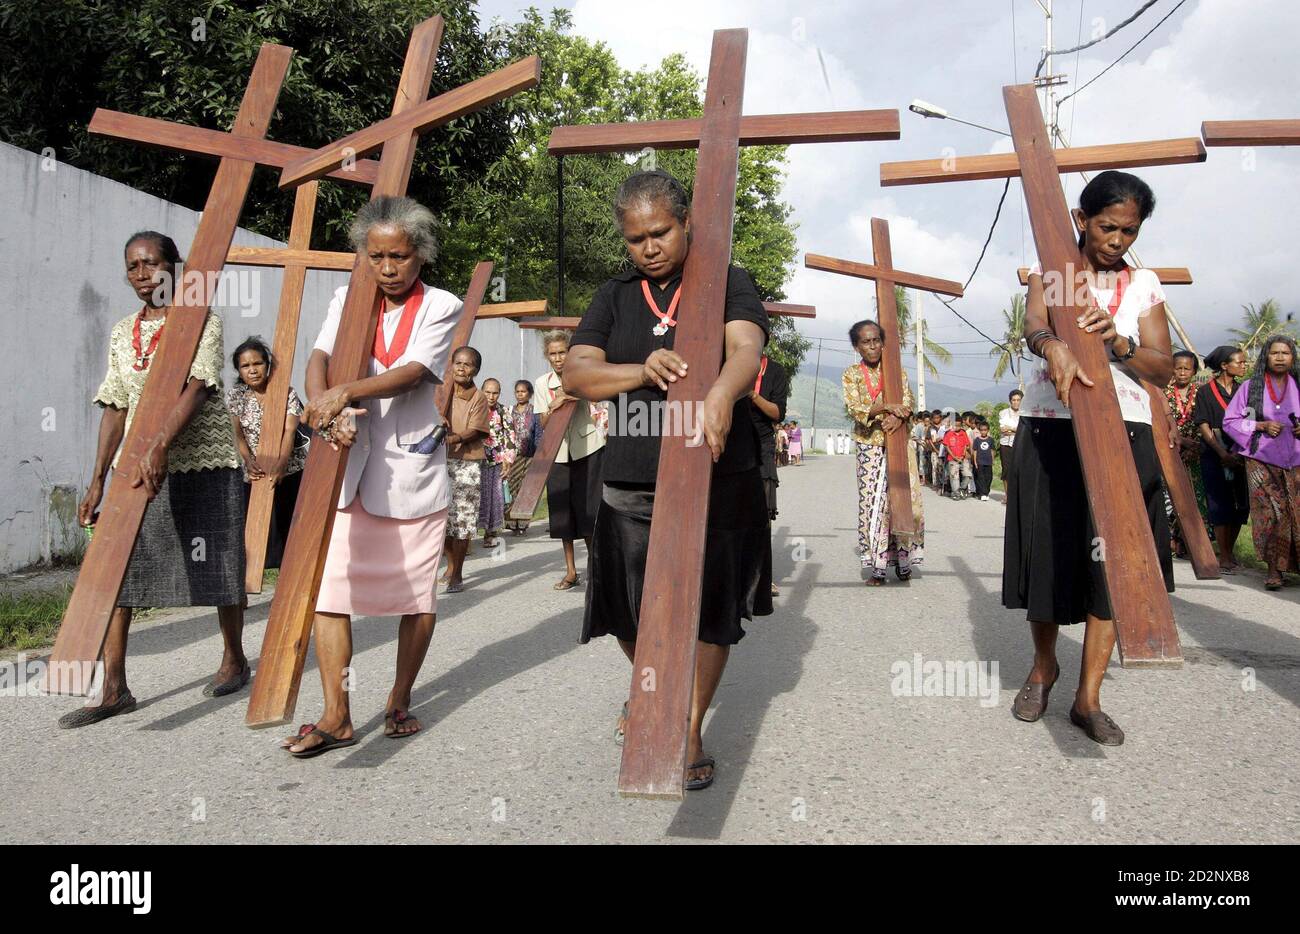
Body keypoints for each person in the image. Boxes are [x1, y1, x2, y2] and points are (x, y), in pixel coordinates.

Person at [564, 169, 772, 792]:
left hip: (717, 471)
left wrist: (720, 394)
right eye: (635, 239)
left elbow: (746, 349)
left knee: (711, 606)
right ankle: (652, 685)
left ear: (686, 224)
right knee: (627, 607)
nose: (649, 247)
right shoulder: (615, 295)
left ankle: (686, 723)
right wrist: (638, 370)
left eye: (660, 232)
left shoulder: (726, 281)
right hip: (632, 474)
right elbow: (578, 371)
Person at [287, 195, 462, 756]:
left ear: (422, 256)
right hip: (346, 469)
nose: (387, 269)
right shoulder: (347, 297)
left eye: (400, 257)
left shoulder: (442, 305)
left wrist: (346, 393)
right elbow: (318, 356)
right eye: (376, 256)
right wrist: (323, 406)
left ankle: (399, 698)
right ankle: (336, 713)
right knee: (330, 594)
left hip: (409, 472)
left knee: (415, 598)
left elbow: (414, 373)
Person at [1005, 170, 1174, 747]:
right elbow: (1032, 326)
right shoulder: (1053, 272)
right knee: (1048, 555)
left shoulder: (1145, 285)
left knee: (1116, 564)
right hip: (1052, 430)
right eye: (1107, 227)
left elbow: (1162, 367)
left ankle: (1088, 697)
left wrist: (1118, 343)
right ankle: (1044, 666)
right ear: (1081, 220)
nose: (1117, 241)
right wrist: (1052, 344)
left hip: (1124, 434)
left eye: (1129, 231)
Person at [66, 230, 248, 728]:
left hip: (203, 461)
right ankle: (114, 688)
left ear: (175, 266)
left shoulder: (201, 321)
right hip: (139, 467)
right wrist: (97, 480)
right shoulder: (123, 332)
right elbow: (115, 405)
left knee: (218, 561)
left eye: (150, 263)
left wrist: (160, 446)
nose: (141, 274)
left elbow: (199, 387)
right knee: (118, 569)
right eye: (132, 266)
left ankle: (234, 657)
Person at [841, 319, 924, 584]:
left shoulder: (896, 371)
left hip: (898, 442)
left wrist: (898, 418)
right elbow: (855, 408)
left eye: (877, 340)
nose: (873, 346)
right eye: (866, 342)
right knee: (873, 505)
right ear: (857, 346)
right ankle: (877, 567)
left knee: (901, 501)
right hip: (869, 445)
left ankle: (903, 562)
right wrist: (888, 407)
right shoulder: (851, 374)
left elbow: (908, 403)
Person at [1223, 336, 1300, 591]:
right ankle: (1273, 570)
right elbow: (1230, 422)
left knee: (1295, 514)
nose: (1280, 357)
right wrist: (1260, 425)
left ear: (1293, 357)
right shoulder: (1249, 387)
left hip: (1296, 460)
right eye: (1274, 352)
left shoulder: (1298, 385)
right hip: (1260, 459)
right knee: (1271, 514)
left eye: (1285, 353)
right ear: (1266, 356)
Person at [227, 335, 308, 571]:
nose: (252, 370)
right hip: (257, 472)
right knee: (255, 529)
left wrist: (282, 464)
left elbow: (290, 431)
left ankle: (288, 582)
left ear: (267, 365)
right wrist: (248, 461)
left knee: (289, 527)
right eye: (246, 366)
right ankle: (249, 583)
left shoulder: (285, 393)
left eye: (257, 364)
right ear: (239, 371)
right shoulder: (236, 397)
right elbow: (238, 434)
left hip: (290, 470)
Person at [534, 329, 606, 590]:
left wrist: (566, 395)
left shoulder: (581, 375)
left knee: (589, 512)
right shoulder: (542, 384)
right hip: (559, 452)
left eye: (562, 352)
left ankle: (596, 571)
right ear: (547, 356)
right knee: (562, 515)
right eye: (552, 354)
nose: (558, 358)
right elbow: (542, 420)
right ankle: (571, 571)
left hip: (587, 447)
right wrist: (554, 406)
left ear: (570, 352)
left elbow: (593, 394)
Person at [1193, 345, 1250, 574]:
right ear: (1225, 366)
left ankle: (1230, 549)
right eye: (1240, 362)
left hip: (1240, 452)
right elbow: (1204, 425)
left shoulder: (1245, 391)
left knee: (1241, 503)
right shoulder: (1205, 392)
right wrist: (1221, 453)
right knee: (1219, 503)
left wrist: (1238, 451)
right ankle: (1224, 555)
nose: (1244, 365)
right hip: (1214, 451)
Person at [441, 347, 490, 593]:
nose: (461, 367)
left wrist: (454, 438)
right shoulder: (442, 392)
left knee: (462, 519)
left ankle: (457, 574)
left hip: (466, 462)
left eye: (467, 364)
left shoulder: (478, 397)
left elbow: (477, 430)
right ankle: (450, 566)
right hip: (440, 460)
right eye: (458, 362)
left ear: (475, 370)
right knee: (444, 519)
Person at [749, 346, 788, 597]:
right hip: (729, 445)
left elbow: (777, 413)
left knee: (760, 519)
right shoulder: (724, 363)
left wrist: (752, 395)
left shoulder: (774, 371)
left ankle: (763, 579)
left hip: (761, 448)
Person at [1164, 350, 1206, 559]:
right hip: (1169, 450)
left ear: (1194, 371)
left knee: (1194, 498)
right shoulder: (1163, 392)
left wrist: (1195, 444)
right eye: (1178, 368)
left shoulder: (1202, 392)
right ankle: (1170, 538)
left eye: (1186, 368)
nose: (1182, 373)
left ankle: (1189, 542)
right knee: (1170, 496)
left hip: (1195, 453)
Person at [478, 376, 513, 549]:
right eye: (488, 392)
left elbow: (511, 437)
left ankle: (490, 534)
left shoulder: (503, 411)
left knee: (494, 498)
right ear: (482, 391)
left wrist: (508, 460)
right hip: (475, 460)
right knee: (473, 498)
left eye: (495, 393)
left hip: (496, 462)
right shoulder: (474, 408)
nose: (491, 396)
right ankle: (464, 540)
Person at [505, 379, 543, 535]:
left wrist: (539, 455)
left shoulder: (535, 412)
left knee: (525, 489)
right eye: (517, 391)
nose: (520, 394)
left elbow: (539, 434)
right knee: (511, 488)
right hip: (512, 457)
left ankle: (523, 524)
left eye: (523, 391)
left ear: (530, 394)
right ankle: (511, 523)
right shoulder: (509, 411)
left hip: (529, 457)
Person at [998, 389, 1022, 492]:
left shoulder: (1024, 414)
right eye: (1014, 400)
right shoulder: (1003, 413)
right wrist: (1017, 430)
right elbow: (1003, 430)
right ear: (1010, 401)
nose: (1016, 402)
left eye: (1018, 400)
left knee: (1020, 470)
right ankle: (1007, 496)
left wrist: (1011, 428)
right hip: (1006, 445)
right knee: (1006, 470)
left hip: (1020, 444)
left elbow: (1024, 430)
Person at [942, 419, 972, 500]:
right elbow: (947, 447)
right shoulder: (949, 434)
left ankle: (962, 489)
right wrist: (954, 457)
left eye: (958, 425)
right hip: (952, 458)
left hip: (963, 458)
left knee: (968, 475)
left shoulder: (963, 433)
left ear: (961, 425)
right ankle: (956, 493)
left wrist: (962, 456)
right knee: (954, 477)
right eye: (955, 425)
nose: (957, 427)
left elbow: (966, 445)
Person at [973, 421, 996, 500]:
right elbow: (975, 451)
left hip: (988, 462)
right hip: (980, 462)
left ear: (988, 430)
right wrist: (975, 461)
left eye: (985, 430)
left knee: (989, 477)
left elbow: (992, 450)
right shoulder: (977, 440)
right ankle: (983, 494)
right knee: (981, 478)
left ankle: (986, 492)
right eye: (982, 430)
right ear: (979, 430)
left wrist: (993, 460)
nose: (983, 431)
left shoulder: (990, 440)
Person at [925, 410, 946, 489]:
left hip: (944, 450)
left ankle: (943, 483)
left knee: (942, 467)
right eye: (934, 418)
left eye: (938, 418)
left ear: (940, 418)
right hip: (935, 451)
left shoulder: (944, 427)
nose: (936, 420)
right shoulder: (931, 428)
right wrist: (935, 450)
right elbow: (930, 440)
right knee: (935, 467)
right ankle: (935, 484)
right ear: (932, 419)